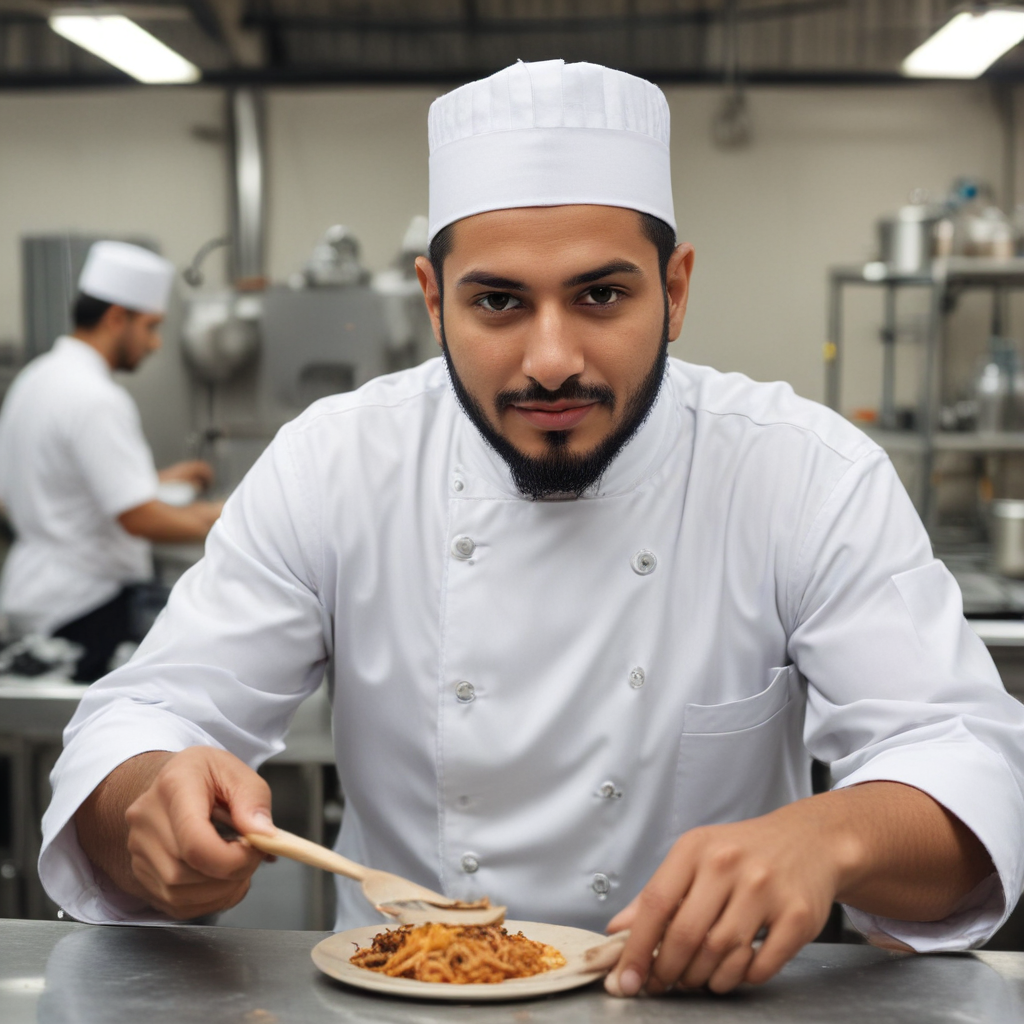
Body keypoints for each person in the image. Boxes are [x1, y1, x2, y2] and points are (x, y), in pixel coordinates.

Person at [40, 62, 1024, 997]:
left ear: (675, 288)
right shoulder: (336, 463)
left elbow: (965, 764)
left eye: (601, 295)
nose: (550, 359)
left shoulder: (800, 472)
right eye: (498, 302)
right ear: (433, 302)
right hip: (396, 1003)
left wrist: (829, 834)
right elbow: (140, 724)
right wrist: (149, 805)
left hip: (709, 1007)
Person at [0, 241, 222, 681]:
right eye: (151, 327)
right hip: (86, 605)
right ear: (117, 317)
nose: (155, 344)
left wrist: (157, 480)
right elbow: (139, 518)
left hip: (33, 594)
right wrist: (229, 516)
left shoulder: (37, 377)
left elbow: (54, 484)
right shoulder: (96, 397)